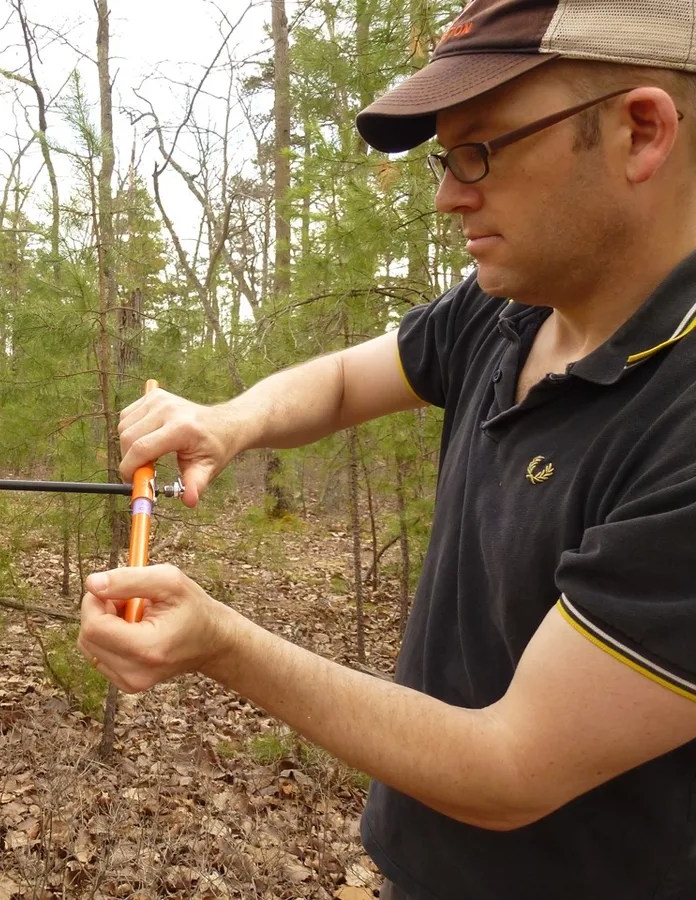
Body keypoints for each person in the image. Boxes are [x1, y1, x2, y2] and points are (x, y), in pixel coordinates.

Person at [76, 1, 696, 897]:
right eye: (447, 158)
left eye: (481, 150)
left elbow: (512, 765)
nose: (448, 193)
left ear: (642, 131)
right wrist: (226, 420)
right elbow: (340, 383)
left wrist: (219, 644)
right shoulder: (510, 305)